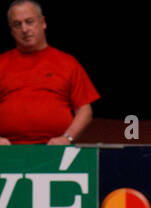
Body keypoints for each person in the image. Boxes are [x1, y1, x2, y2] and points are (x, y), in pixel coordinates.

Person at [0, 1, 98, 146]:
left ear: (43, 23)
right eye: (17, 24)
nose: (24, 29)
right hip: (6, 150)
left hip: (55, 149)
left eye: (29, 22)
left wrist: (67, 138)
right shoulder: (1, 63)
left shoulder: (67, 63)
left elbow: (85, 110)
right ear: (11, 30)